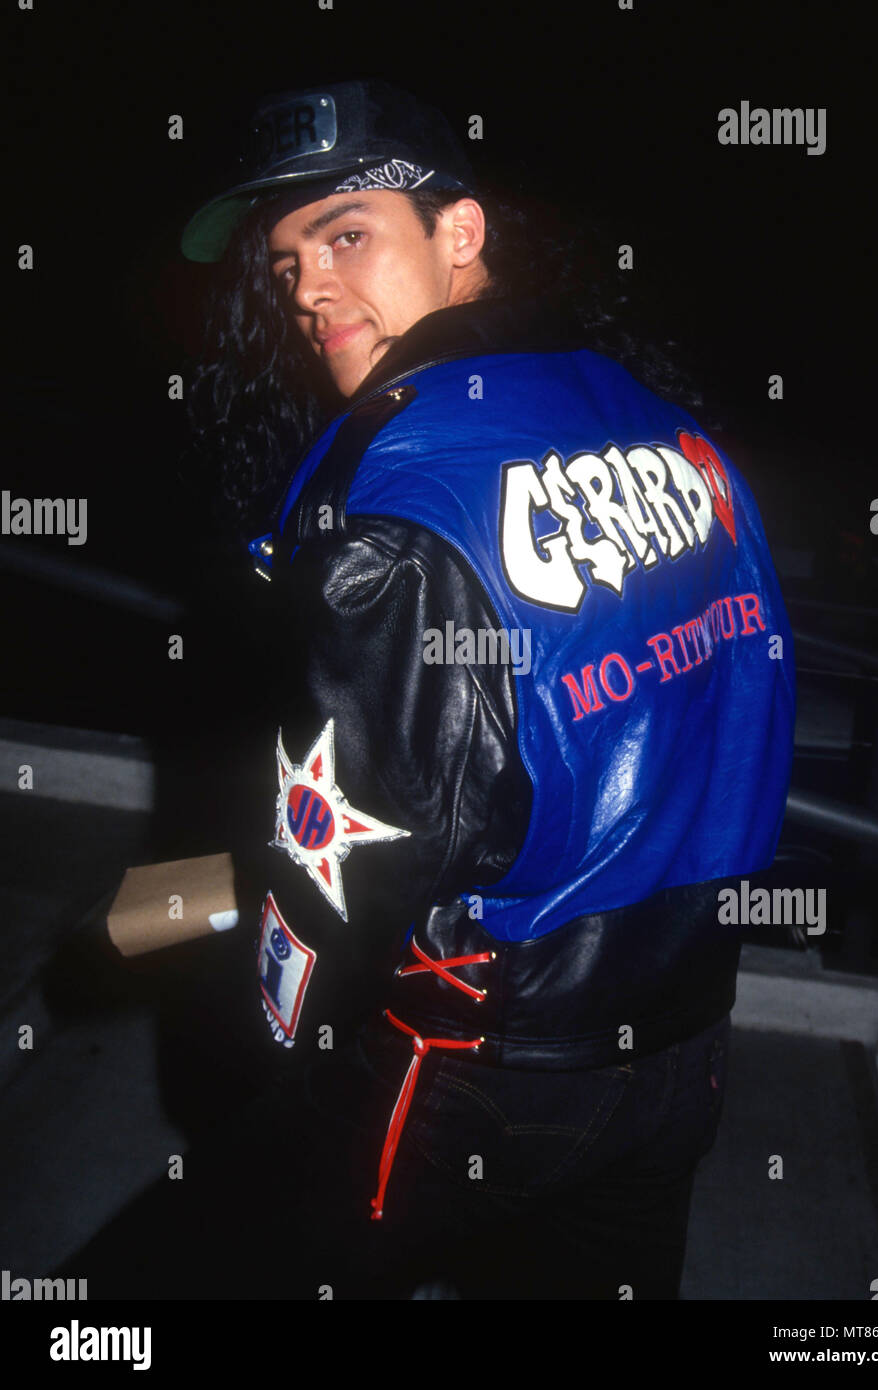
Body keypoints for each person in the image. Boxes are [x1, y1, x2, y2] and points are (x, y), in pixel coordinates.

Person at [173, 78, 796, 1300]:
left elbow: (341, 875)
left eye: (346, 234)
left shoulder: (391, 506)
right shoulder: (672, 432)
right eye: (289, 255)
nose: (305, 287)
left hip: (475, 1066)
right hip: (682, 1049)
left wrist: (253, 1044)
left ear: (459, 235)